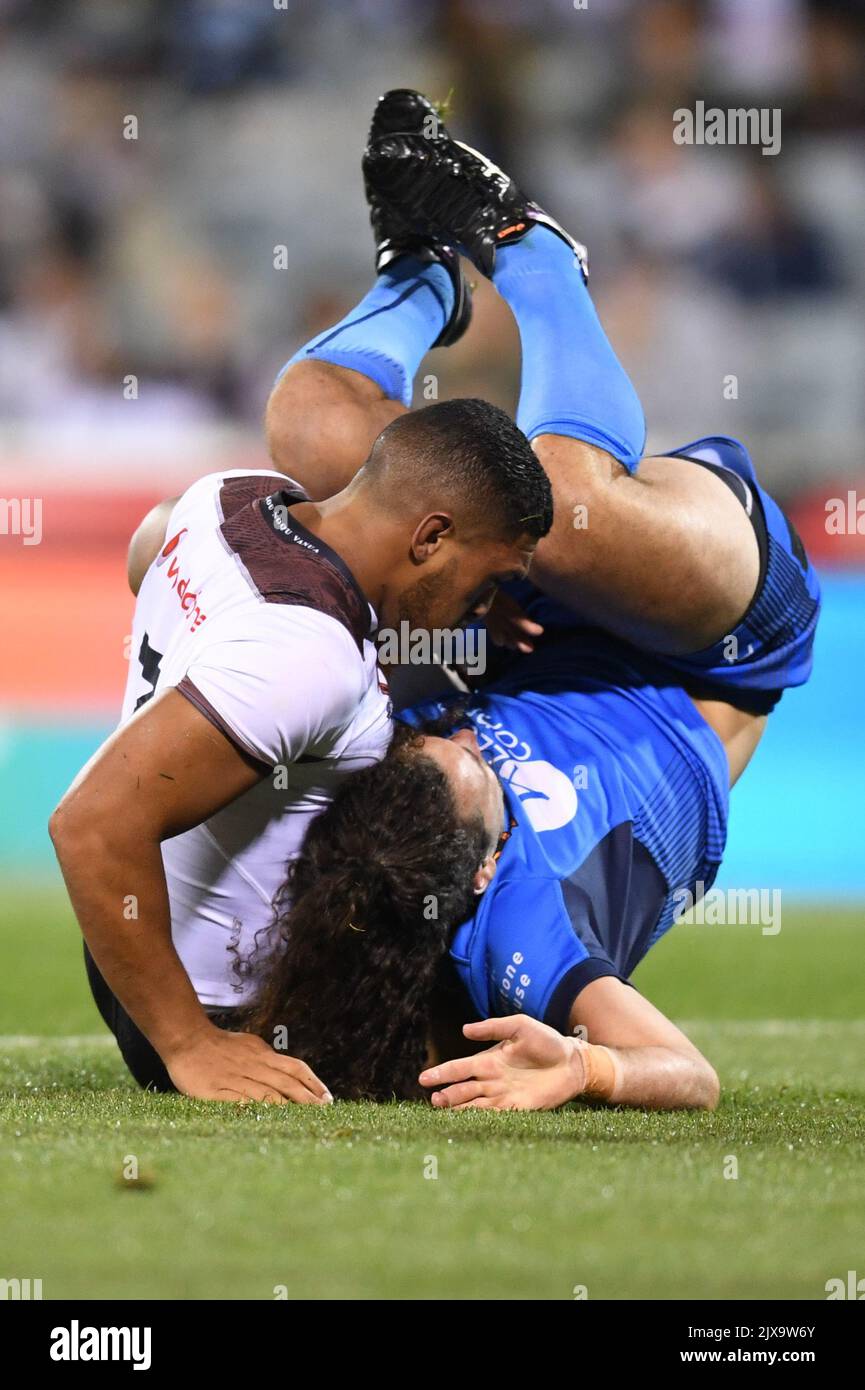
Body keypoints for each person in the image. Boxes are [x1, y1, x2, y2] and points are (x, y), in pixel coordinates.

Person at [48, 244, 554, 1103]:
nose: (481, 603)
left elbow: (149, 557)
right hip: (236, 1004)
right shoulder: (303, 658)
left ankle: (417, 280)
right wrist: (190, 1045)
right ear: (429, 538)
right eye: (487, 577)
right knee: (478, 811)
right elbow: (90, 827)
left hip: (134, 958)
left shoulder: (228, 497)